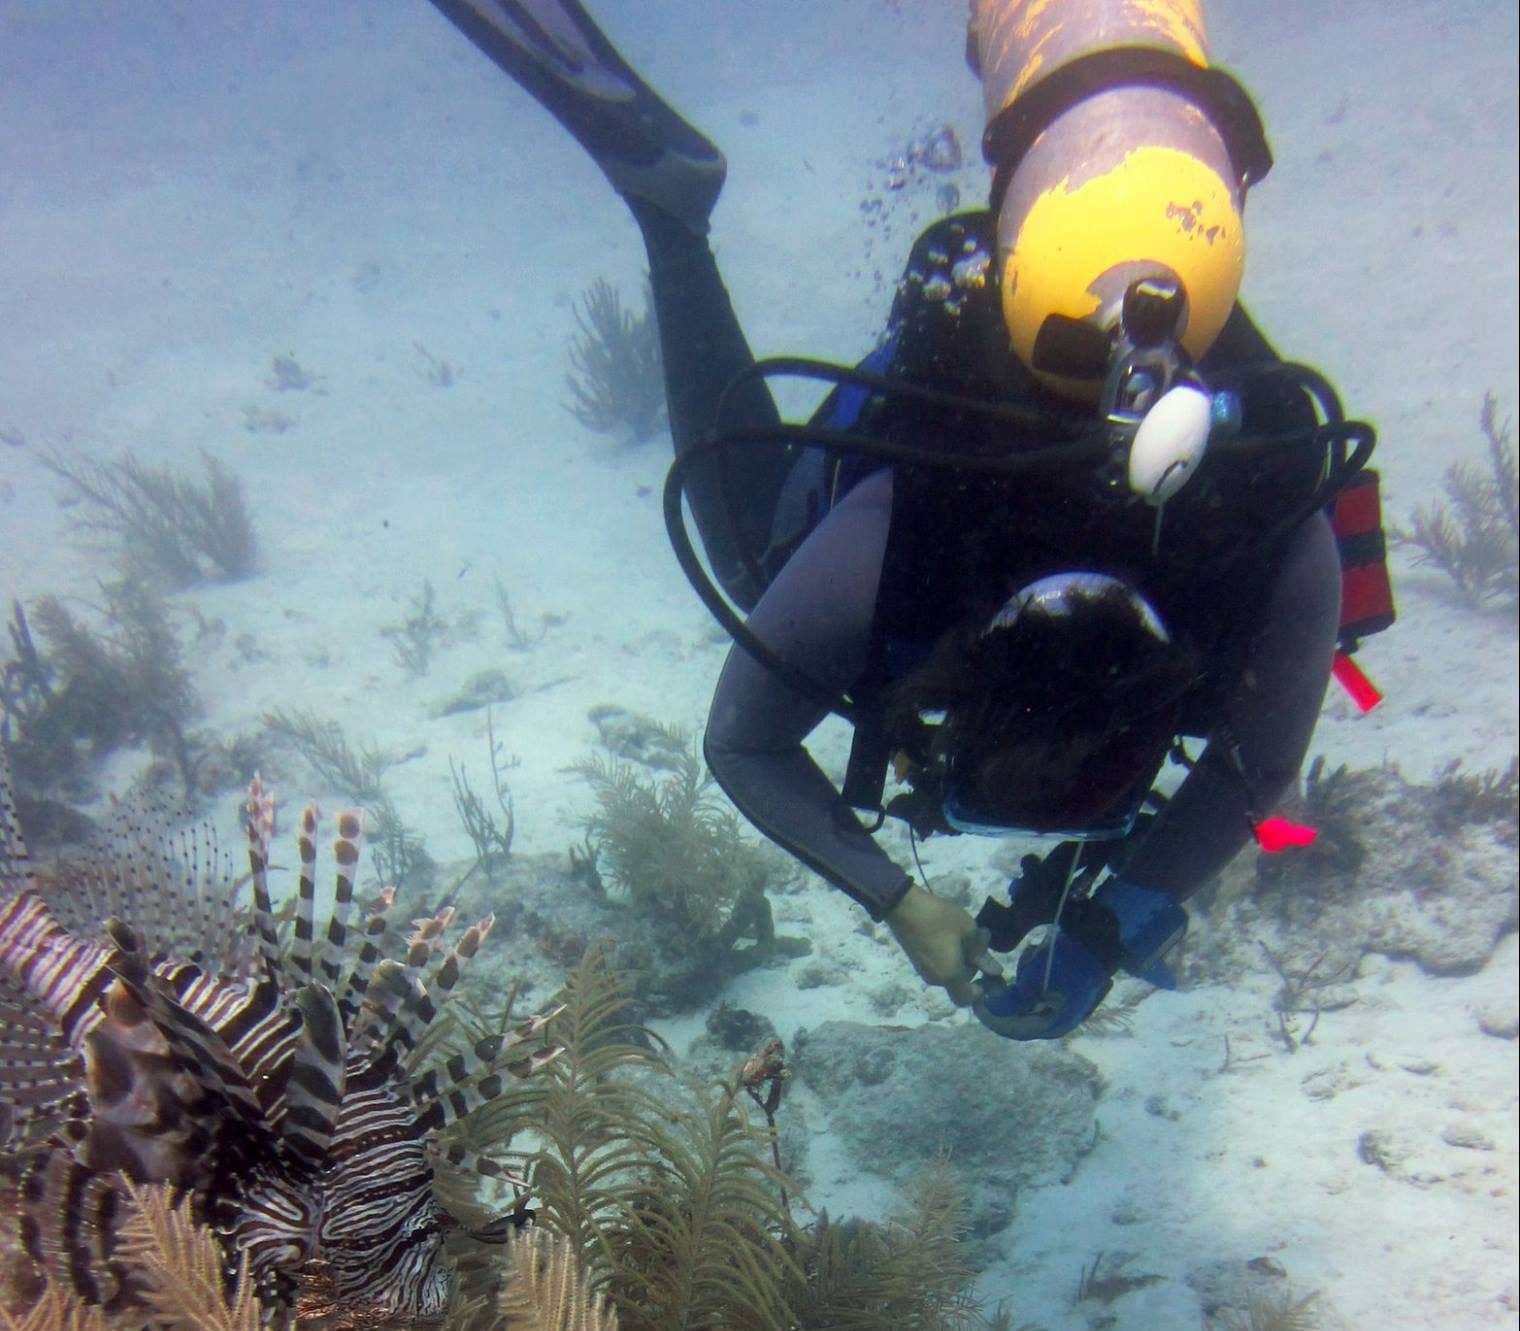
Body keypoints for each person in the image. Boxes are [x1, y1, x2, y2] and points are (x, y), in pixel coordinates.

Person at [426, 0, 1386, 1039]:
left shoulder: (1269, 526)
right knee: (762, 576)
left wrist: (1102, 931)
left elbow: (1259, 774)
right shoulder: (919, 529)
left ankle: (1090, 157)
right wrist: (895, 896)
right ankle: (669, 207)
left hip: (1118, 259)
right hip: (998, 383)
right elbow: (739, 737)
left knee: (780, 614)